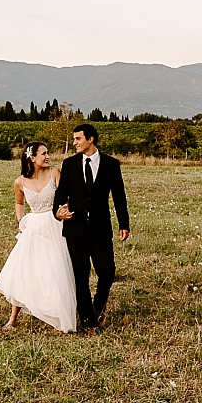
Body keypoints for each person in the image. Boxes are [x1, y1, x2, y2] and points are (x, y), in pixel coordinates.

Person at [0, 142, 77, 333]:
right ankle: (13, 318)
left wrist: (64, 211)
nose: (48, 156)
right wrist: (20, 221)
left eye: (48, 153)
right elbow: (19, 202)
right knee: (24, 268)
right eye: (44, 153)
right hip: (34, 227)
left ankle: (59, 316)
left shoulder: (55, 172)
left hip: (55, 224)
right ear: (32, 158)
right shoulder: (19, 182)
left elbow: (65, 197)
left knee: (55, 268)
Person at [53, 123, 129, 333]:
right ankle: (88, 321)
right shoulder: (69, 164)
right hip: (75, 230)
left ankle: (98, 306)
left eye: (78, 139)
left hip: (100, 228)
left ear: (91, 139)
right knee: (81, 276)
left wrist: (124, 224)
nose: (75, 143)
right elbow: (61, 193)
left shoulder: (111, 164)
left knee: (107, 272)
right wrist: (57, 211)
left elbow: (119, 196)